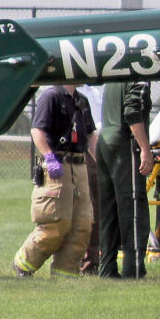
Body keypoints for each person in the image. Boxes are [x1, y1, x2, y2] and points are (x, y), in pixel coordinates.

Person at [13, 84, 97, 277]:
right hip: (58, 166)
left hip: (80, 167)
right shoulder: (50, 96)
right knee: (56, 225)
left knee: (82, 226)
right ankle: (24, 264)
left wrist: (101, 161)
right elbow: (37, 130)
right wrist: (49, 157)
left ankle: (65, 274)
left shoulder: (81, 100)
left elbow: (90, 135)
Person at [97, 81, 154, 279]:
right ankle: (133, 270)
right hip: (125, 143)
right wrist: (145, 148)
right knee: (134, 209)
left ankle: (107, 268)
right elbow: (132, 111)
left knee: (109, 211)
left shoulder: (114, 74)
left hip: (105, 140)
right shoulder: (138, 74)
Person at [75, 84, 103, 275]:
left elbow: (93, 132)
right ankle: (77, 259)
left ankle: (91, 261)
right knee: (83, 208)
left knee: (96, 209)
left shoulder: (91, 93)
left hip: (95, 148)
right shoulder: (56, 93)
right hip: (79, 151)